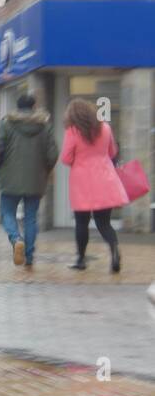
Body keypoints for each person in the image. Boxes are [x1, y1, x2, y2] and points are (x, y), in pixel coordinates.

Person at [0, 93, 58, 268]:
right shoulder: (45, 126)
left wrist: (0, 166)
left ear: (18, 107)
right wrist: (45, 169)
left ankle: (16, 239)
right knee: (31, 218)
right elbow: (53, 154)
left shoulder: (7, 124)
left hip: (9, 178)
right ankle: (29, 257)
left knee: (7, 213)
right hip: (36, 179)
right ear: (34, 107)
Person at [60, 98, 127, 273]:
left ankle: (81, 260)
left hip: (82, 181)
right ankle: (114, 252)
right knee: (104, 223)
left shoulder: (72, 131)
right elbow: (112, 152)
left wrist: (80, 158)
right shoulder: (105, 127)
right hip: (105, 178)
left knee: (81, 222)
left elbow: (66, 158)